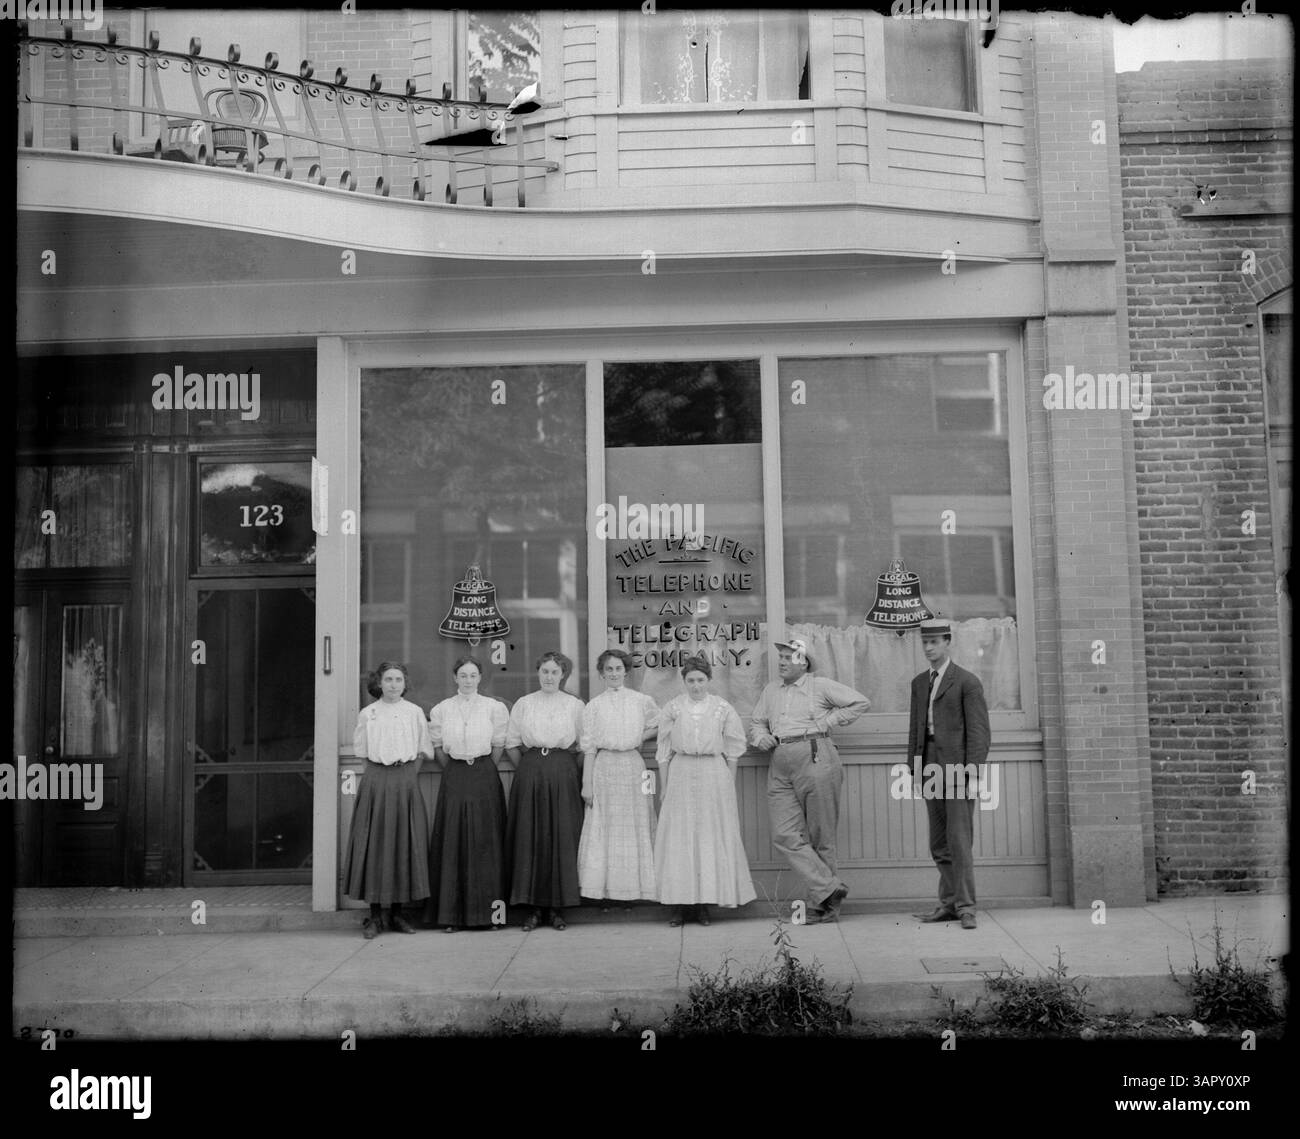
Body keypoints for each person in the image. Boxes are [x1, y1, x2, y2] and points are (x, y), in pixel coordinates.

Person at [751, 636, 870, 924]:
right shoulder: (771, 691)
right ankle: (830, 888)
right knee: (784, 834)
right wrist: (760, 737)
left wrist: (825, 723)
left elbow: (860, 702)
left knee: (822, 836)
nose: (782, 661)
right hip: (780, 761)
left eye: (789, 656)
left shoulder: (820, 685)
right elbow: (757, 722)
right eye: (780, 656)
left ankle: (825, 907)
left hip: (816, 755)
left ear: (804, 662)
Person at [653, 655, 756, 926]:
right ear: (684, 681)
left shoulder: (722, 708)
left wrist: (728, 783)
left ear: (708, 680)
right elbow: (663, 750)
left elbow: (734, 748)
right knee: (681, 836)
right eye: (691, 681)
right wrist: (664, 786)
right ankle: (679, 906)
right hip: (682, 771)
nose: (696, 686)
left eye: (700, 680)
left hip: (713, 772)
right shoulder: (673, 708)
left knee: (709, 836)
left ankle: (703, 905)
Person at [908, 618, 990, 930]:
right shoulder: (919, 683)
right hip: (929, 764)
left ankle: (966, 907)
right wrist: (915, 769)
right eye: (925, 643)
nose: (928, 648)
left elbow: (980, 733)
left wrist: (972, 772)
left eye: (934, 642)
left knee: (959, 840)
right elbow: (915, 730)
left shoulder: (967, 682)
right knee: (938, 843)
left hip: (958, 767)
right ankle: (949, 904)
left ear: (947, 642)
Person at [342, 662, 431, 938]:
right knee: (376, 844)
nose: (393, 684)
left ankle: (397, 914)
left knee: (404, 843)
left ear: (405, 683)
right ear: (379, 683)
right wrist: (384, 775)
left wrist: (403, 777)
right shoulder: (368, 714)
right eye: (388, 679)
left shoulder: (414, 713)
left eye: (398, 679)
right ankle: (376, 916)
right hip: (376, 780)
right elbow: (364, 754)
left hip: (405, 780)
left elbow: (419, 752)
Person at [426, 655, 509, 932]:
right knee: (454, 841)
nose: (468, 680)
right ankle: (452, 917)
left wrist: (482, 769)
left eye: (473, 675)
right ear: (455, 678)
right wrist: (456, 770)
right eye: (463, 675)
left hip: (484, 771)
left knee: (486, 841)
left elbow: (498, 744)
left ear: (480, 678)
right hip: (455, 773)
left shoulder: (493, 708)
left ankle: (491, 916)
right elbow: (437, 746)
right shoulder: (441, 709)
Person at [505, 651, 585, 931]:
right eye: (545, 671)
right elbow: (512, 743)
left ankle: (557, 909)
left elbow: (584, 746)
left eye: (554, 672)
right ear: (537, 673)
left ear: (563, 675)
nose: (549, 677)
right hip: (531, 770)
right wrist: (531, 767)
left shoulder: (574, 705)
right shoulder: (524, 704)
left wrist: (565, 770)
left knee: (560, 836)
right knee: (531, 836)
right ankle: (534, 909)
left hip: (563, 770)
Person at [577, 648, 659, 907]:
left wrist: (639, 737)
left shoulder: (641, 700)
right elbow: (589, 747)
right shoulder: (593, 706)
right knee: (605, 824)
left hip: (634, 765)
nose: (614, 673)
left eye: (618, 669)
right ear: (601, 674)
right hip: (604, 767)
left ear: (626, 671)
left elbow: (661, 724)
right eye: (609, 669)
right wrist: (587, 784)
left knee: (637, 821)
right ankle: (605, 891)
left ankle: (635, 890)